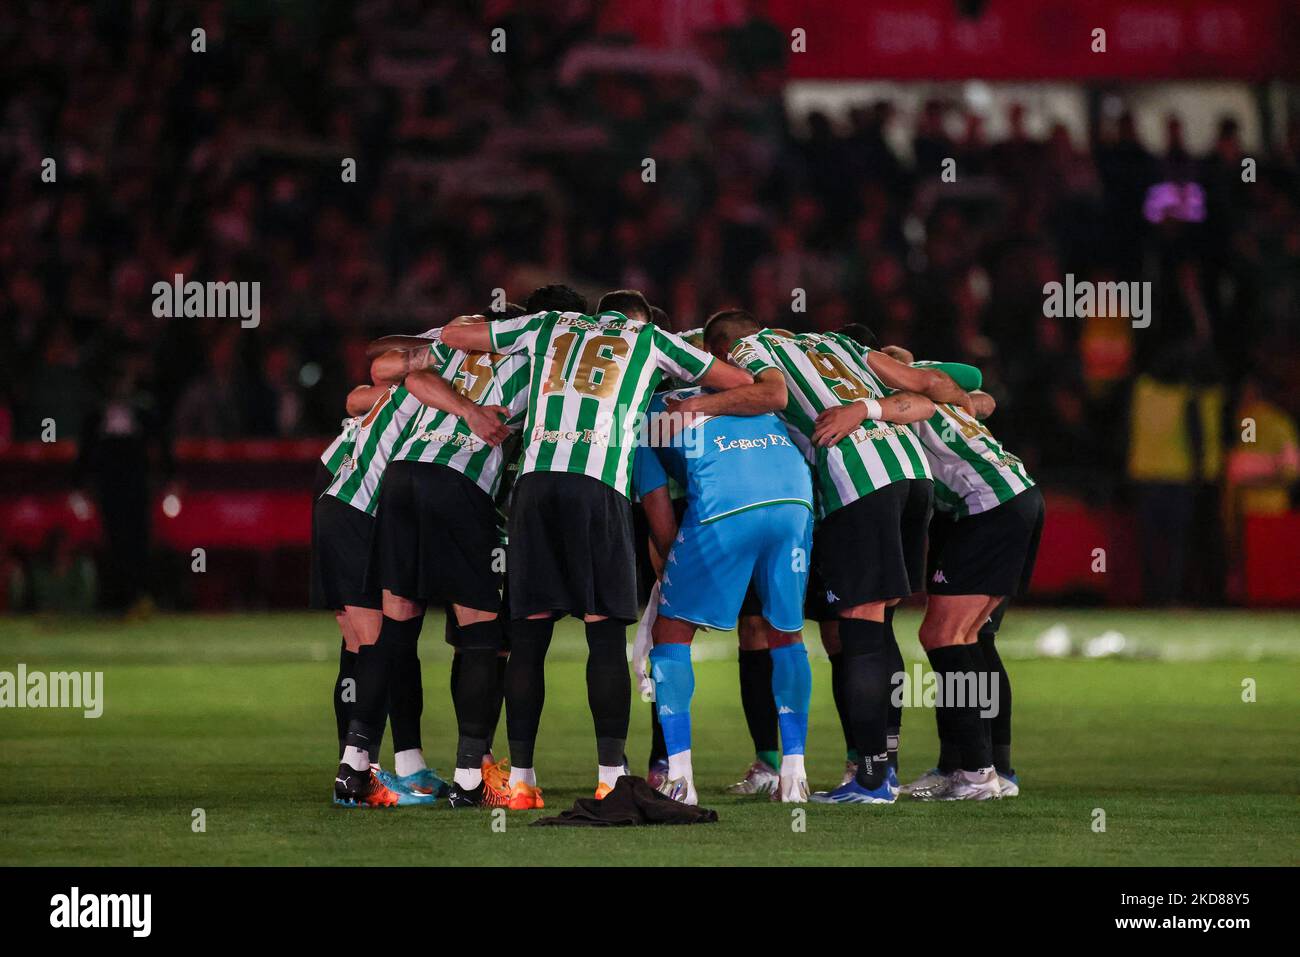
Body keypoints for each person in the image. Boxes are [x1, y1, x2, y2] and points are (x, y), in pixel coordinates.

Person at [439, 289, 752, 809]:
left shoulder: (548, 326)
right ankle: (609, 777)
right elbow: (740, 383)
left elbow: (455, 336)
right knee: (604, 636)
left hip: (535, 486)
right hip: (597, 482)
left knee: (529, 635)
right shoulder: (649, 337)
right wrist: (693, 403)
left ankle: (520, 782)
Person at [680, 311, 968, 804]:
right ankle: (884, 767)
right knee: (878, 626)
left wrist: (698, 403)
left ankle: (872, 780)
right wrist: (960, 404)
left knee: (857, 629)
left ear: (724, 354)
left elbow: (771, 395)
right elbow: (928, 388)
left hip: (859, 484)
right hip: (912, 478)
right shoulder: (841, 345)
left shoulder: (751, 350)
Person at [633, 363, 814, 803]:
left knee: (671, 632)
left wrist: (674, 573)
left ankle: (679, 779)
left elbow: (661, 518)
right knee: (786, 632)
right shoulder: (736, 392)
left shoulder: (643, 420)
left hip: (725, 506)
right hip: (795, 501)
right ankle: (795, 776)